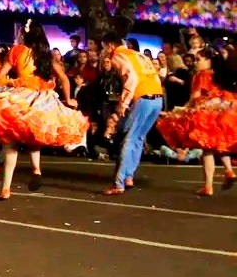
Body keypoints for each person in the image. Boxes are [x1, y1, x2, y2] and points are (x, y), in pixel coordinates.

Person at [0, 20, 88, 200]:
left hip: (21, 96)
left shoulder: (17, 51)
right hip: (44, 98)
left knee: (11, 142)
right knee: (35, 132)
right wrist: (68, 99)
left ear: (24, 34)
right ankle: (36, 169)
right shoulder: (45, 54)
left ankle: (5, 189)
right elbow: (64, 78)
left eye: (20, 33)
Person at [155, 48, 237, 196]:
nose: (195, 63)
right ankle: (229, 171)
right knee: (217, 145)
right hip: (221, 113)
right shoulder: (218, 74)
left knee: (206, 149)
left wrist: (184, 108)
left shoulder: (202, 75)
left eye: (199, 59)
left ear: (208, 60)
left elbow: (196, 96)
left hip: (204, 114)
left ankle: (208, 186)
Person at [101, 38, 164, 195]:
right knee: (138, 137)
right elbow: (154, 76)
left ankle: (119, 182)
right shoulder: (138, 55)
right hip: (157, 97)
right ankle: (129, 176)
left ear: (110, 45)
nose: (104, 51)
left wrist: (124, 103)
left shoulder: (118, 55)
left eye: (104, 47)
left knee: (128, 139)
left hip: (142, 98)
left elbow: (131, 78)